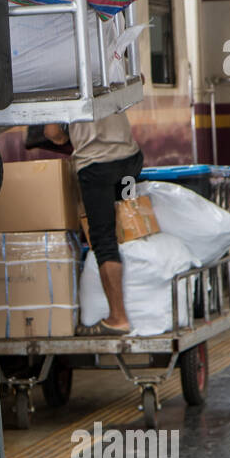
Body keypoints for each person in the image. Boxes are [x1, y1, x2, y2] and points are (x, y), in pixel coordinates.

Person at [44, 113, 144, 335]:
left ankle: (118, 318)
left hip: (97, 166)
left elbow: (52, 133)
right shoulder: (111, 75)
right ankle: (141, 306)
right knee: (130, 227)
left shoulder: (63, 79)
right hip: (130, 159)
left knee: (104, 239)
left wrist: (64, 135)